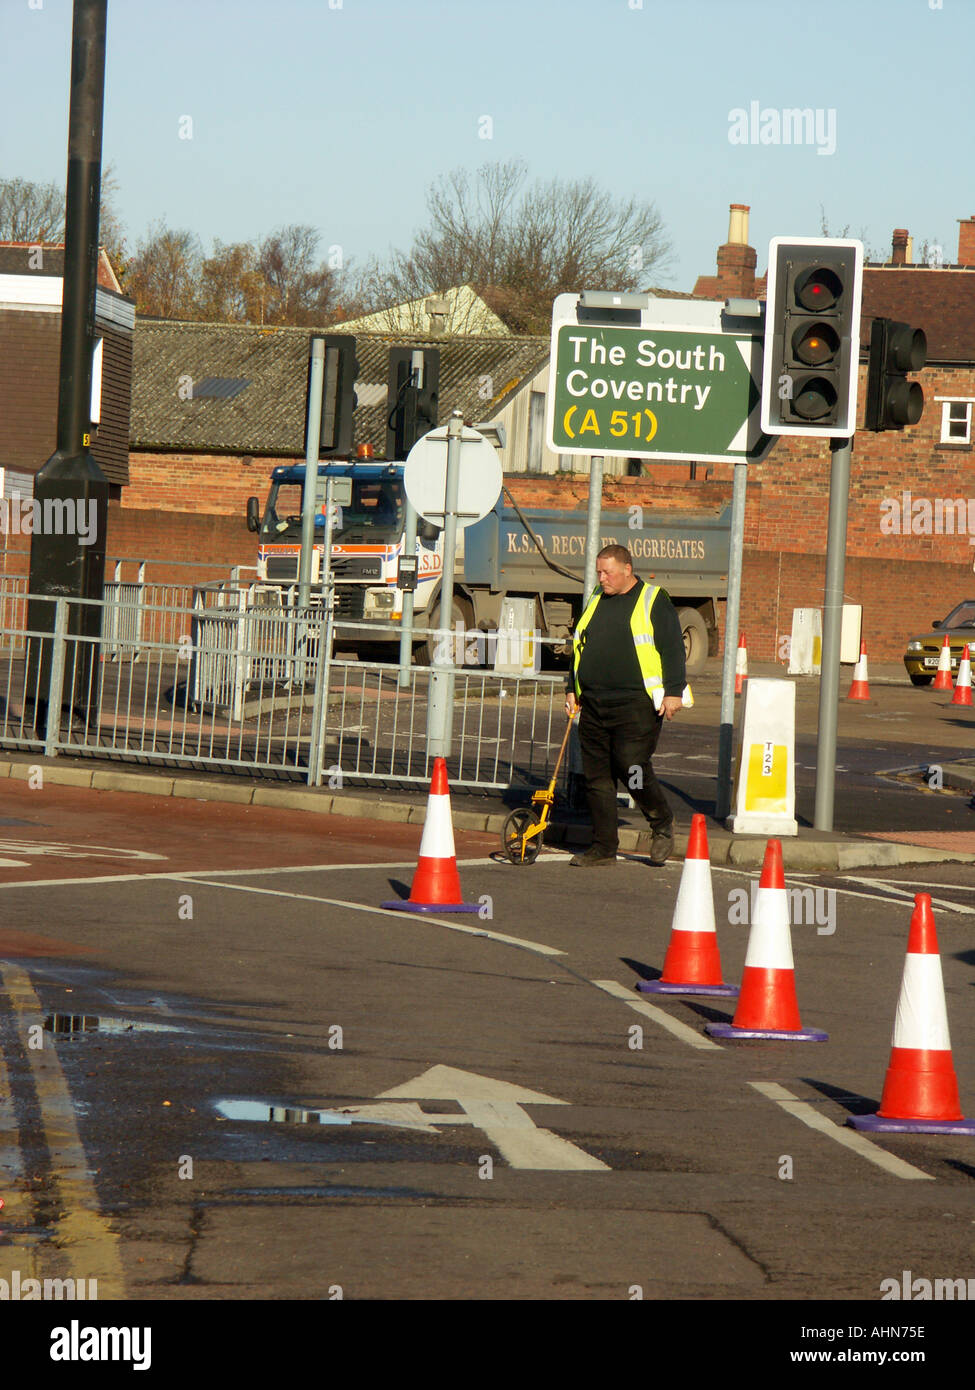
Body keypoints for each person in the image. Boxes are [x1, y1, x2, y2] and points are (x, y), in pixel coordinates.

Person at [565, 544, 686, 867]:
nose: (601, 578)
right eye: (599, 572)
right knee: (597, 778)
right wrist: (572, 688)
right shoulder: (596, 598)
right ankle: (603, 847)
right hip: (593, 702)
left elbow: (672, 646)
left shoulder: (652, 599)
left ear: (627, 570)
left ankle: (661, 823)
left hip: (635, 702)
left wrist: (674, 691)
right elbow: (580, 643)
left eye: (608, 572)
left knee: (631, 765)